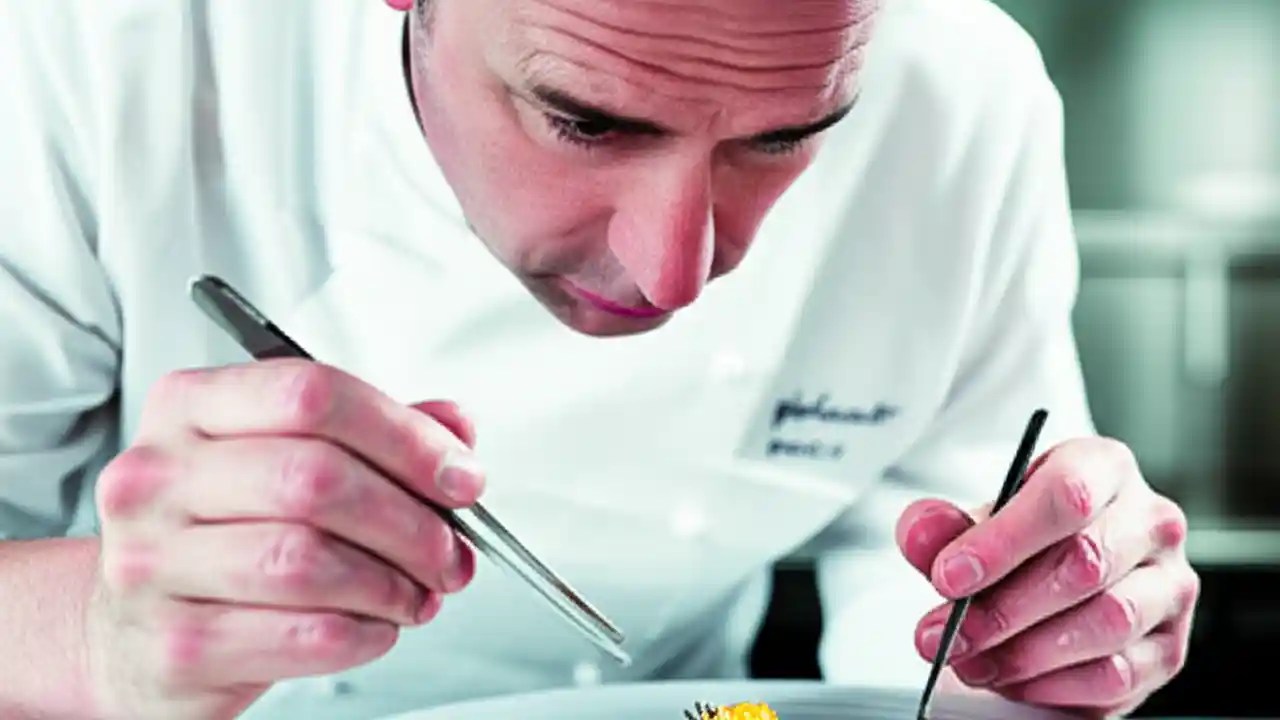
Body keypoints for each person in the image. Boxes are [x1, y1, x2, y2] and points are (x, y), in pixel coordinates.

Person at [0, 0, 1199, 718]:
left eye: (786, 137)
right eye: (585, 119)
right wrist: (100, 634)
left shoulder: (961, 93)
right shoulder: (94, 54)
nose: (675, 273)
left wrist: (1042, 637)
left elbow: (938, 608)